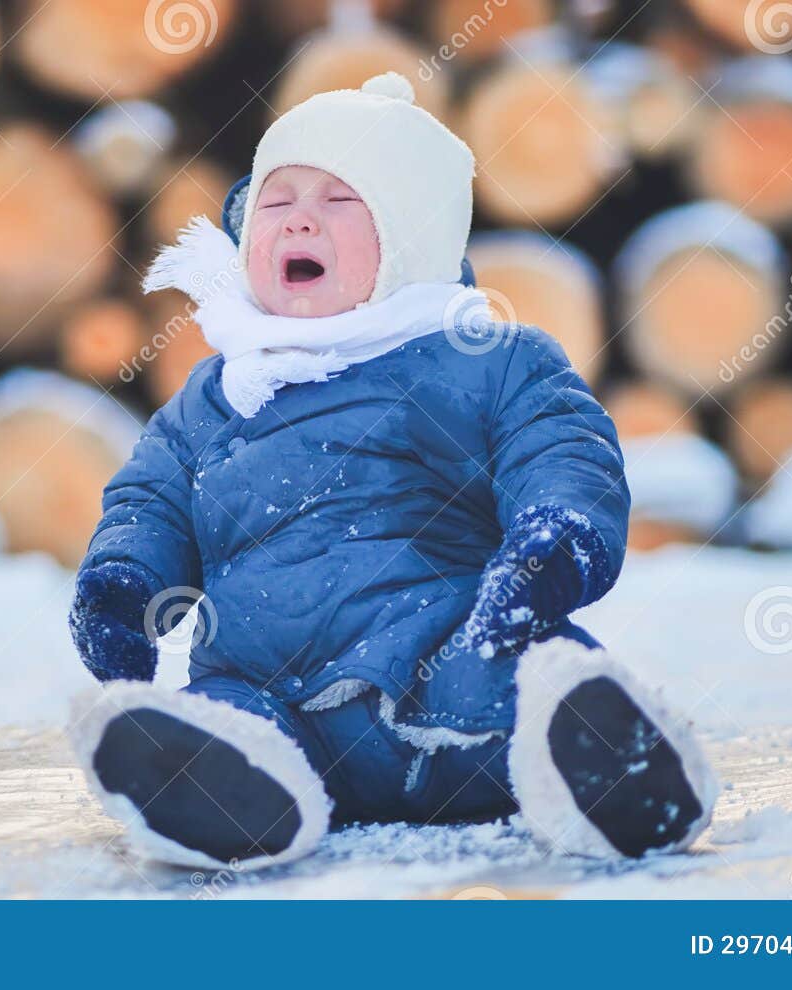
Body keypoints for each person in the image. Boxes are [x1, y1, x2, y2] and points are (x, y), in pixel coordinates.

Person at [67, 73, 715, 870]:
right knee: (225, 715)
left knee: (521, 683)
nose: (301, 215)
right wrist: (123, 581)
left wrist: (557, 540)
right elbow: (151, 498)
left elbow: (560, 449)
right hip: (270, 692)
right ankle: (226, 790)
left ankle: (603, 767)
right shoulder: (221, 393)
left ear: (413, 235)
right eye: (277, 201)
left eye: (341, 201)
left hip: (445, 664)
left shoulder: (477, 359)